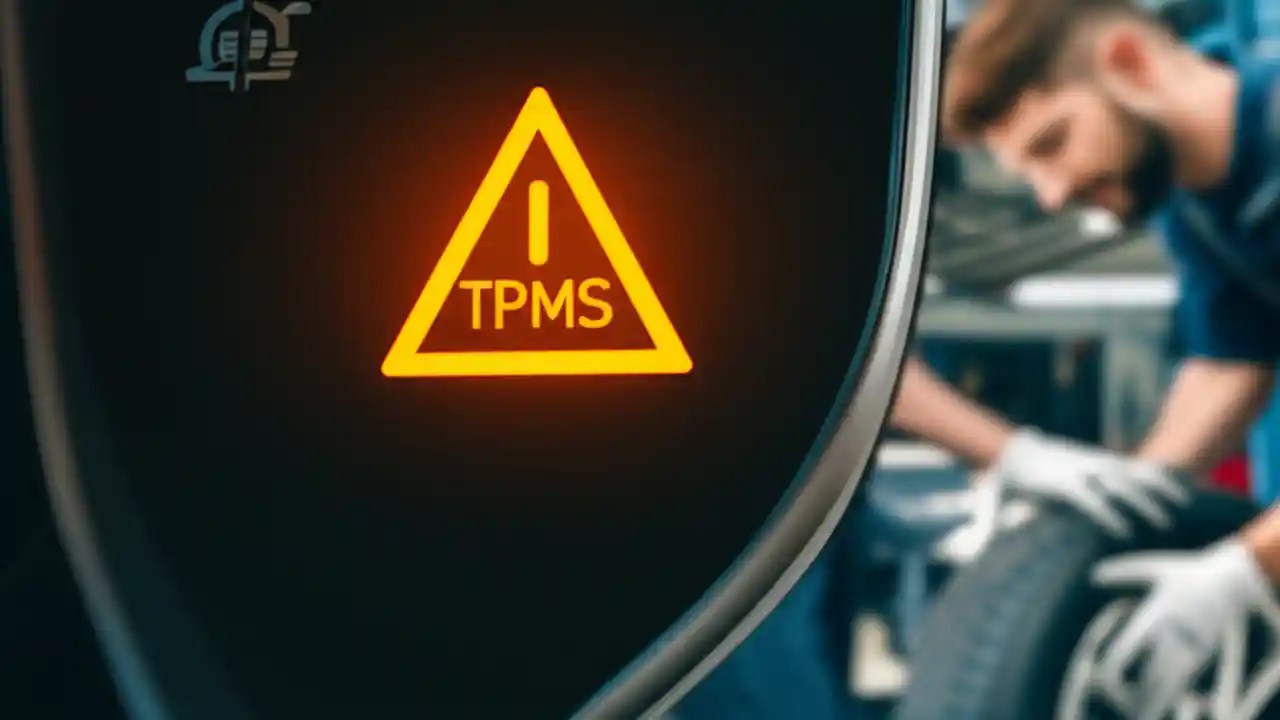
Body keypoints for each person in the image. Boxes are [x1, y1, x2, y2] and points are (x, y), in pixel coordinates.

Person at [940, 1, 1280, 717]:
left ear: (1130, 62)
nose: (1053, 193)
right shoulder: (1198, 200)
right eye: (1028, 171)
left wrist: (1248, 565)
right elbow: (1233, 362)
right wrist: (1119, 505)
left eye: (1052, 142)